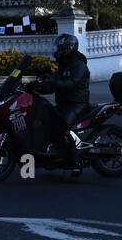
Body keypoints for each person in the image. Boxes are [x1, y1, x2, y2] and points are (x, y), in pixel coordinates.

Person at [29, 33, 90, 175]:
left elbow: (71, 83)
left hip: (77, 103)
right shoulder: (63, 65)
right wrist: (39, 87)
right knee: (45, 121)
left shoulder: (79, 65)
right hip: (63, 103)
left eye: (60, 48)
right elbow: (55, 86)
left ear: (69, 49)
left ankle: (76, 161)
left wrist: (53, 82)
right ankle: (53, 155)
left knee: (62, 127)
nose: (58, 51)